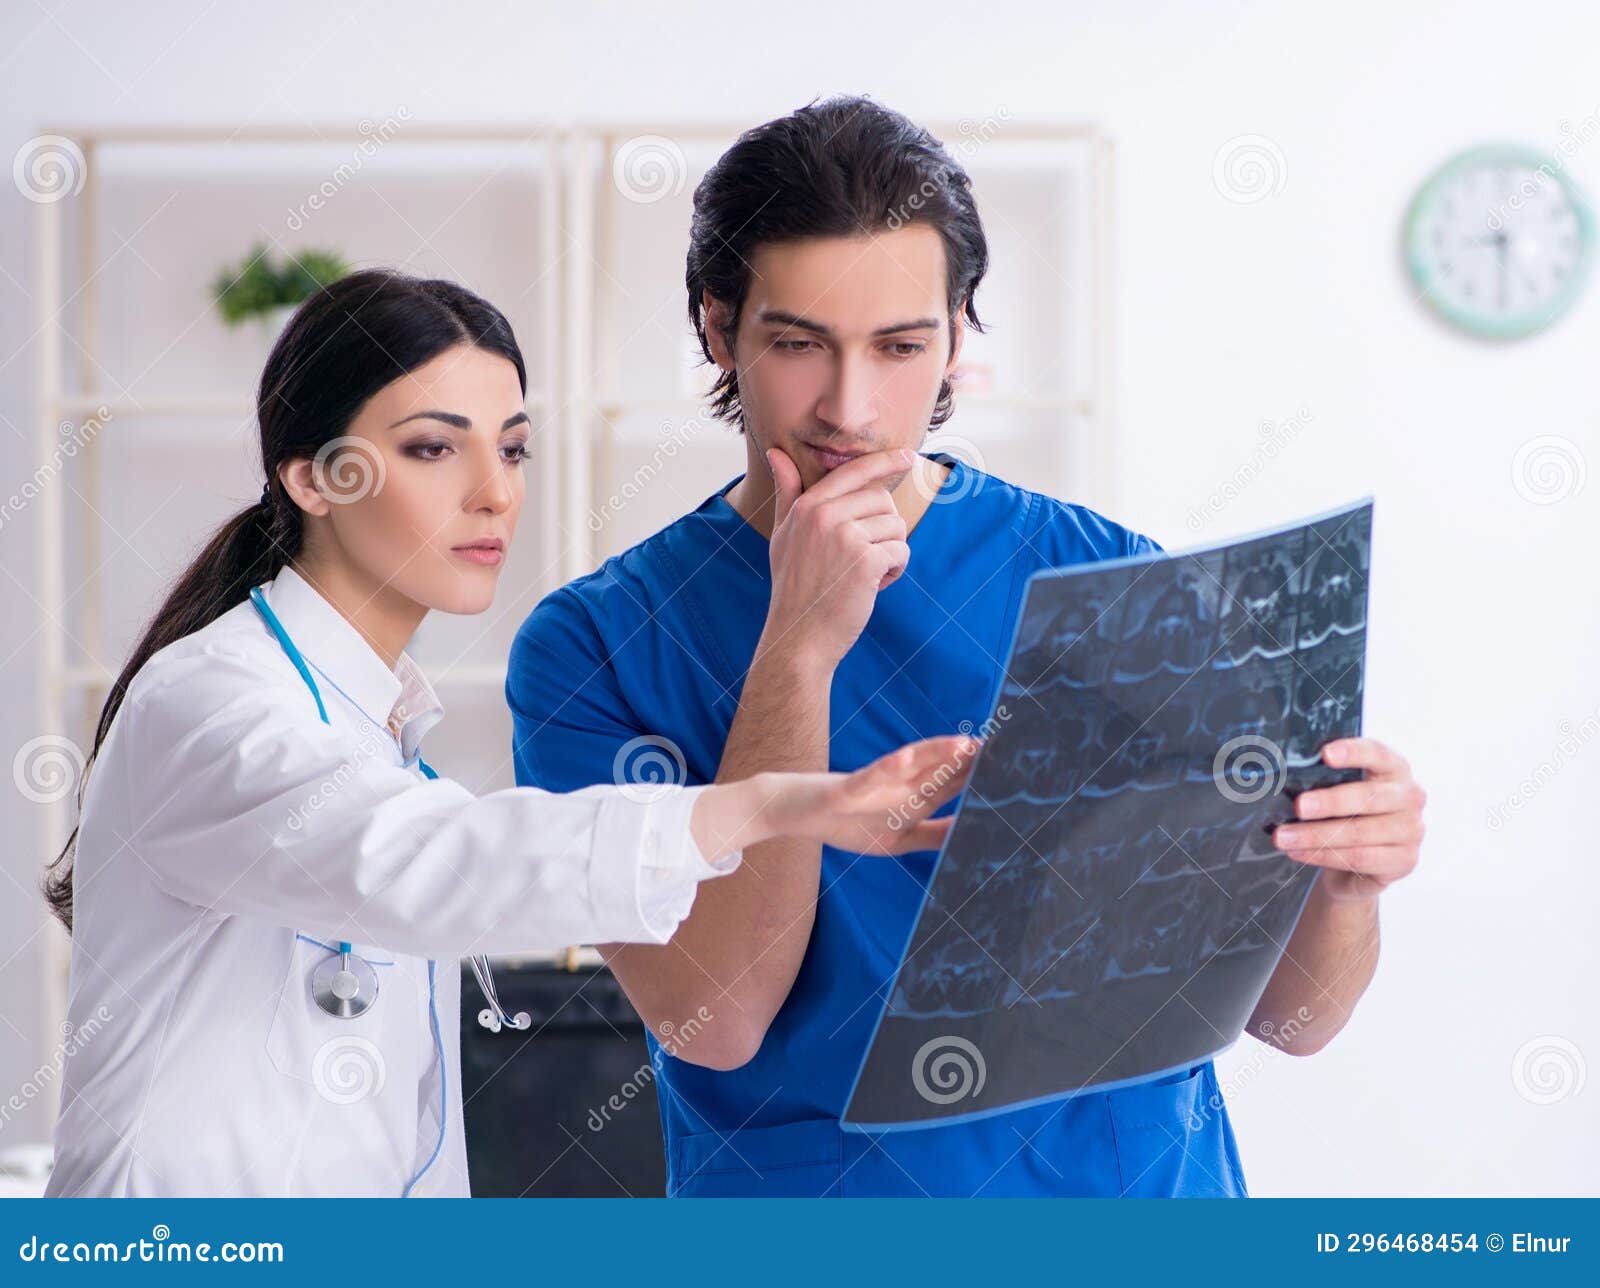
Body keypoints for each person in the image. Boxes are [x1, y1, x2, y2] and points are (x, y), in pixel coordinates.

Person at [508, 98, 1428, 1197]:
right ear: (717, 329)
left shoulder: (1107, 577)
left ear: (957, 332)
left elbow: (1293, 1016)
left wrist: (1346, 883)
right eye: (799, 344)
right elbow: (714, 1019)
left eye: (901, 347)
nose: (851, 407)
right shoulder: (593, 644)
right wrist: (797, 647)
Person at [41, 269, 977, 1198]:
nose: (494, 494)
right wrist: (768, 802)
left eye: (514, 449)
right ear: (311, 478)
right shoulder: (210, 702)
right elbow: (435, 861)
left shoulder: (379, 727)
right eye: (432, 450)